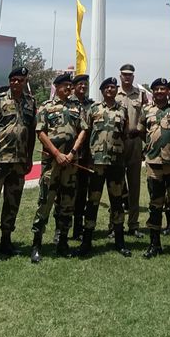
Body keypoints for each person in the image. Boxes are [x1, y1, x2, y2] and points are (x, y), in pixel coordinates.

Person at [0, 65, 36, 260]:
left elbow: (31, 132)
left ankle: (6, 240)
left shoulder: (31, 102)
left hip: (19, 161)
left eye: (20, 80)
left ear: (25, 81)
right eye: (13, 80)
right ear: (9, 81)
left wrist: (29, 157)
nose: (16, 83)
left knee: (13, 202)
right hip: (0, 160)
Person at [30, 72, 86, 263]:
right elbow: (41, 132)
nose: (69, 88)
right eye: (65, 85)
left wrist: (72, 153)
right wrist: (57, 153)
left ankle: (63, 242)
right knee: (45, 202)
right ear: (57, 87)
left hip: (70, 163)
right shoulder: (47, 106)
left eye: (70, 85)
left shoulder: (77, 107)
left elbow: (83, 130)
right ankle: (36, 244)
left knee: (67, 203)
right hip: (52, 164)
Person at [76, 76, 131, 257]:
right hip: (96, 163)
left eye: (113, 87)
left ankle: (120, 241)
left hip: (115, 164)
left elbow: (125, 135)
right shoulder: (93, 109)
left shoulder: (122, 110)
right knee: (92, 202)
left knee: (117, 203)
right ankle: (87, 241)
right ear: (102, 91)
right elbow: (86, 133)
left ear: (116, 91)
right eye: (107, 87)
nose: (110, 90)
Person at [140, 77, 170, 261]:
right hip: (154, 164)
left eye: (163, 89)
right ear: (152, 92)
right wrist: (148, 150)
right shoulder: (146, 110)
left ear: (168, 91)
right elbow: (141, 132)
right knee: (155, 205)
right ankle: (155, 245)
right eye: (157, 89)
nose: (160, 91)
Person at [117, 63, 147, 239]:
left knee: (134, 187)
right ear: (120, 76)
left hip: (135, 145)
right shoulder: (114, 93)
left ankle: (133, 224)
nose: (127, 77)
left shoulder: (140, 96)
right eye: (124, 75)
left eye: (130, 75)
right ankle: (116, 223)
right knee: (117, 186)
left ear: (133, 77)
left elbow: (144, 119)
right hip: (119, 145)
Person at [70, 73, 95, 240]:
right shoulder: (67, 103)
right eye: (80, 84)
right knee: (64, 193)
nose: (83, 87)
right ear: (74, 86)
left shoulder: (92, 106)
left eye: (85, 84)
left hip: (85, 155)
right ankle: (61, 230)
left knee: (81, 193)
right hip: (68, 154)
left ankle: (78, 228)